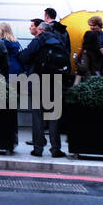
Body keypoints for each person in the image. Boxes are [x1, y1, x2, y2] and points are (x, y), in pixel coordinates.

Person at [18, 19, 67, 158]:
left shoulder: (38, 41)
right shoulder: (59, 40)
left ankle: (38, 149)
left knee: (38, 116)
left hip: (39, 80)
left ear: (42, 30)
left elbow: (24, 57)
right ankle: (56, 149)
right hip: (56, 81)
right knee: (54, 116)